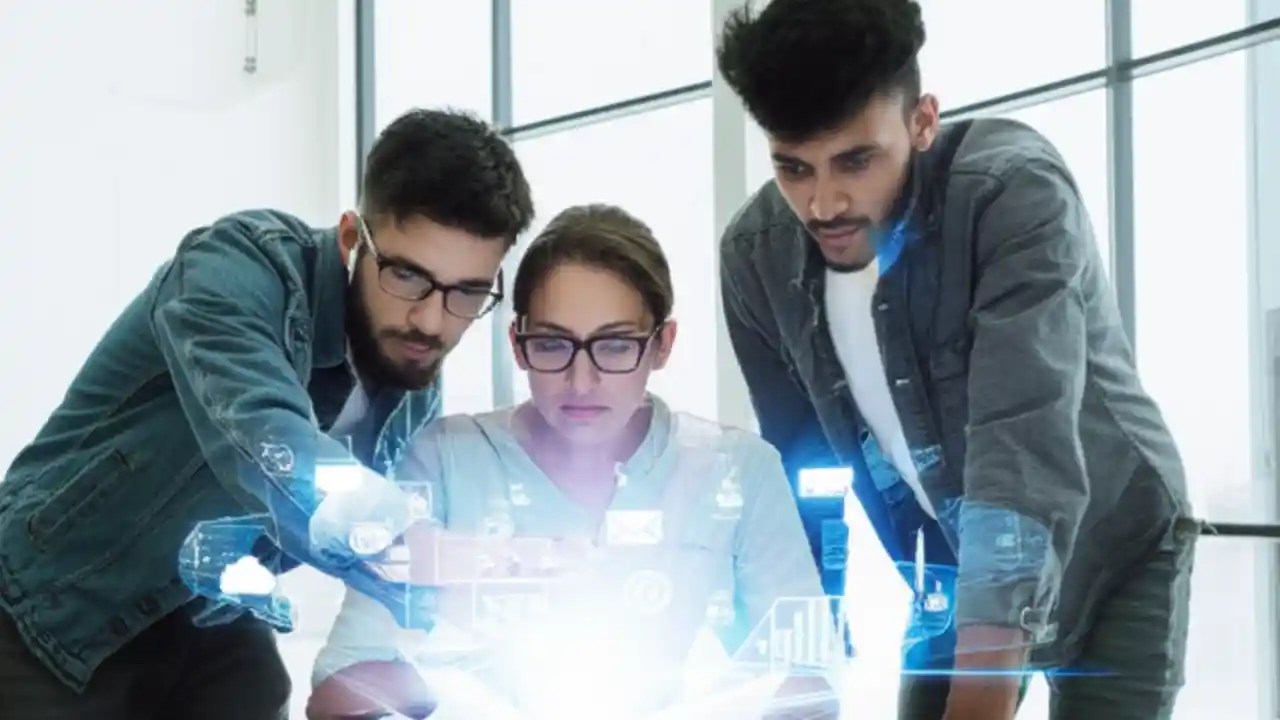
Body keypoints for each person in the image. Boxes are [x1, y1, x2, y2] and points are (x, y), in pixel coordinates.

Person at [714, 1, 1196, 719]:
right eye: (793, 168)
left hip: (1116, 547)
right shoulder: (756, 255)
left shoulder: (1011, 194)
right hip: (948, 561)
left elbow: (1019, 445)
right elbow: (801, 467)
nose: (823, 203)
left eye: (855, 160)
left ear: (922, 122)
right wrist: (803, 661)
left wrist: (983, 697)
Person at [0, 108, 534, 719]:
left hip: (209, 611)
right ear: (351, 238)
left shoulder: (414, 383)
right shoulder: (235, 268)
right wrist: (416, 539)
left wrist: (486, 598)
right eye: (409, 276)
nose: (434, 321)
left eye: (468, 292)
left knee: (263, 689)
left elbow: (373, 559)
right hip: (48, 608)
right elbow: (267, 437)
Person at [307, 204, 838, 720]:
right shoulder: (446, 459)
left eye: (613, 347)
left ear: (662, 345)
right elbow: (338, 688)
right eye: (552, 344)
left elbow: (808, 687)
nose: (580, 382)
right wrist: (467, 681)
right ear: (517, 344)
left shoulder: (739, 470)